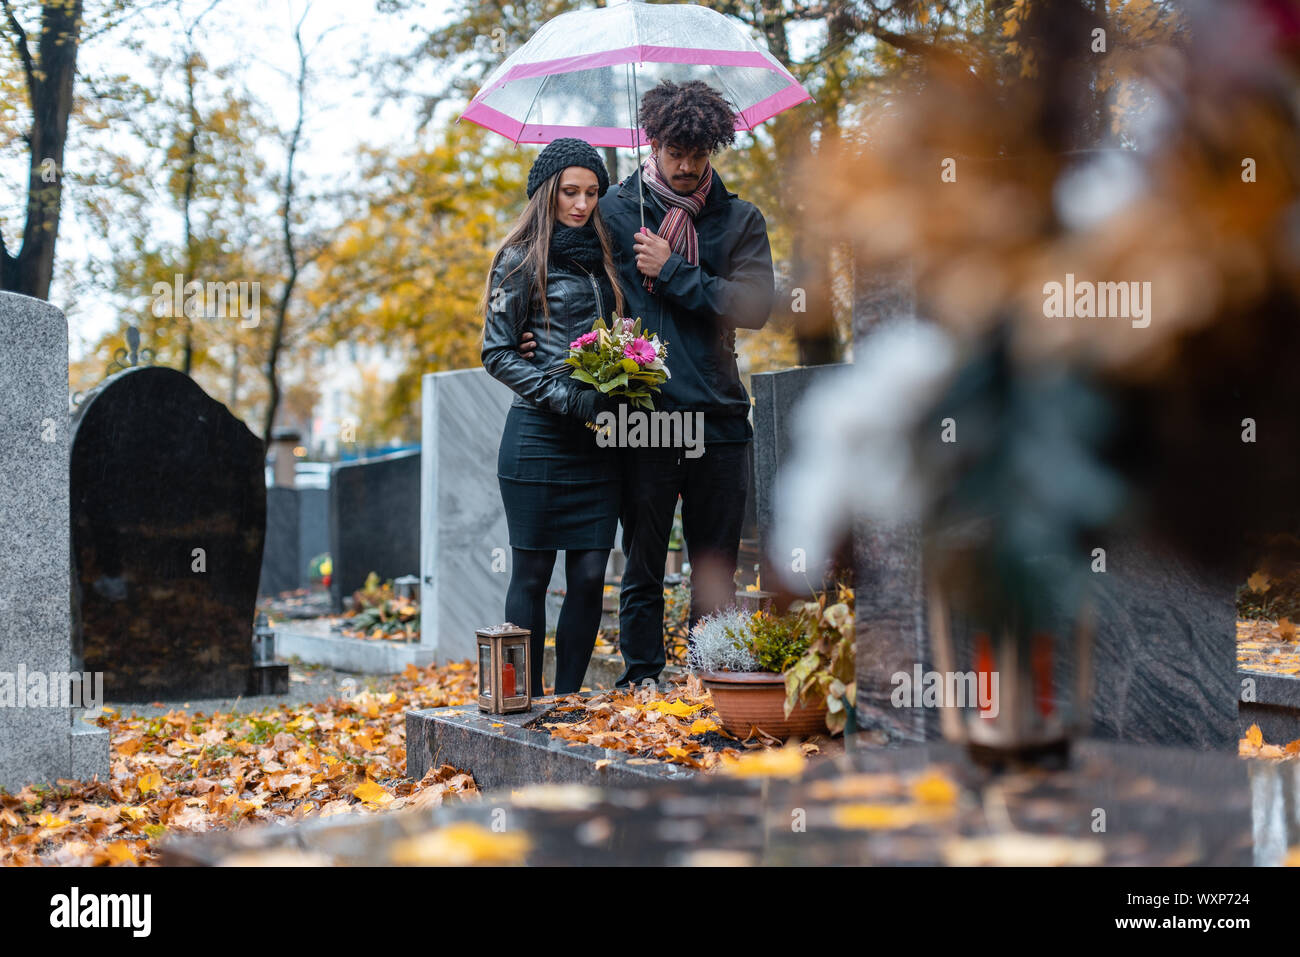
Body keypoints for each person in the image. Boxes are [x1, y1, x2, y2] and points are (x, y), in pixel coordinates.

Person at [517, 80, 776, 688]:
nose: (686, 167)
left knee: (716, 568)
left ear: (713, 149)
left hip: (718, 419)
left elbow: (757, 306)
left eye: (698, 154)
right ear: (651, 143)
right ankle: (641, 680)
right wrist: (534, 334)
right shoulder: (612, 212)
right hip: (643, 418)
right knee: (642, 566)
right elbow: (557, 273)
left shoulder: (739, 220)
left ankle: (710, 679)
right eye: (673, 152)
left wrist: (677, 270)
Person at [480, 137, 627, 697]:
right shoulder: (518, 258)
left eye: (592, 192)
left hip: (597, 442)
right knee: (533, 576)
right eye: (570, 191)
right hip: (538, 438)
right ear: (547, 193)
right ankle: (525, 699)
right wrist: (566, 396)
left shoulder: (606, 258)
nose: (581, 204)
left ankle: (567, 701)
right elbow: (496, 353)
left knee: (590, 576)